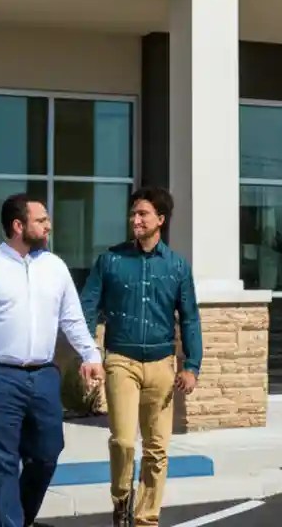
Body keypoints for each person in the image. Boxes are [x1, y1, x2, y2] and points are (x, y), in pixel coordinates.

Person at [0, 194, 104, 527]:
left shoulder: (54, 267)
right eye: (41, 220)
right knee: (2, 465)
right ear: (18, 225)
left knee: (47, 455)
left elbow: (71, 317)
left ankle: (18, 519)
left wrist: (90, 353)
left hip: (43, 377)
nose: (48, 226)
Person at [80, 186, 202, 527]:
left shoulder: (177, 267)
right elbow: (87, 306)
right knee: (122, 440)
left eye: (143, 214)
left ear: (160, 220)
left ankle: (146, 518)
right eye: (133, 213)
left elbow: (190, 317)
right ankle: (121, 498)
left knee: (156, 449)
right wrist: (88, 352)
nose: (135, 219)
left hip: (163, 365)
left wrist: (191, 366)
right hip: (121, 361)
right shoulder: (110, 261)